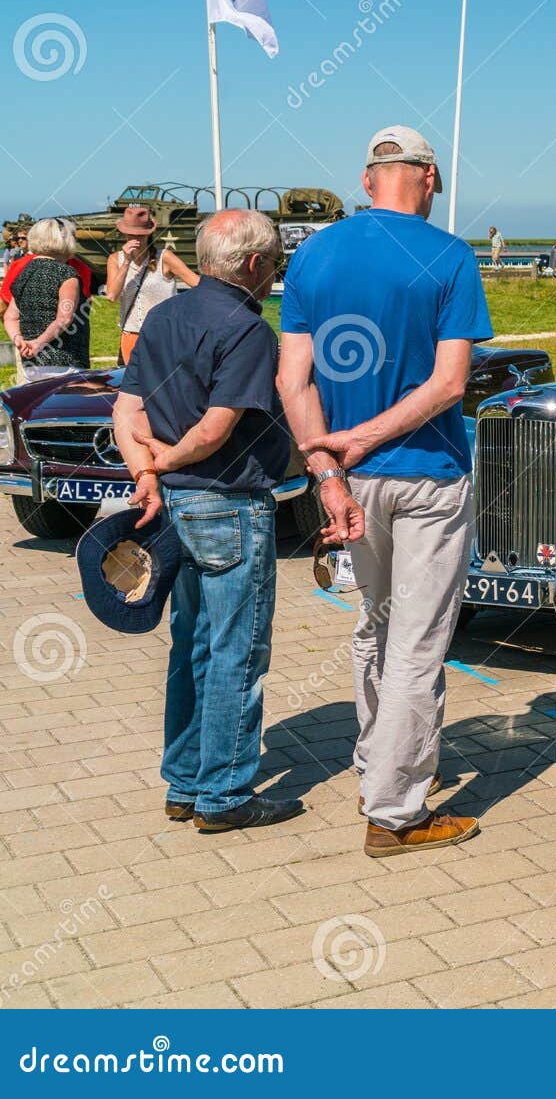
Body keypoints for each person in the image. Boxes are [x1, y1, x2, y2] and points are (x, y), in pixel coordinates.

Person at [277, 124, 490, 857]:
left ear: (368, 181)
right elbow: (451, 383)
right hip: (426, 476)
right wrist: (367, 438)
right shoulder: (451, 257)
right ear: (428, 177)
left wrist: (330, 469)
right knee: (418, 642)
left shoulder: (314, 253)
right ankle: (396, 812)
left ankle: (377, 760)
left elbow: (292, 380)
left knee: (374, 623)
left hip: (350, 483)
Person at [110, 210, 303, 832]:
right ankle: (224, 794)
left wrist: (146, 471)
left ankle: (185, 780)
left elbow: (127, 404)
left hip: (174, 505)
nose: (274, 274)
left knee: (190, 644)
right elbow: (219, 426)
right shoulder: (248, 328)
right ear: (253, 265)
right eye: (273, 262)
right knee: (237, 650)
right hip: (228, 504)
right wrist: (166, 458)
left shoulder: (164, 315)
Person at [105, 205, 199, 365]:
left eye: (141, 235)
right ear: (125, 234)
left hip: (163, 335)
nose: (136, 240)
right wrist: (127, 261)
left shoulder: (165, 257)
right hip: (131, 336)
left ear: (149, 235)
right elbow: (112, 295)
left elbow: (196, 283)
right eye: (131, 235)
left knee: (163, 385)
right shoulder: (115, 259)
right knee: (134, 387)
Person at [3, 217, 90, 379]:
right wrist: (38, 343)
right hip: (66, 362)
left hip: (31, 365)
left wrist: (19, 340)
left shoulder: (23, 273)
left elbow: (10, 317)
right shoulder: (67, 274)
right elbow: (64, 319)